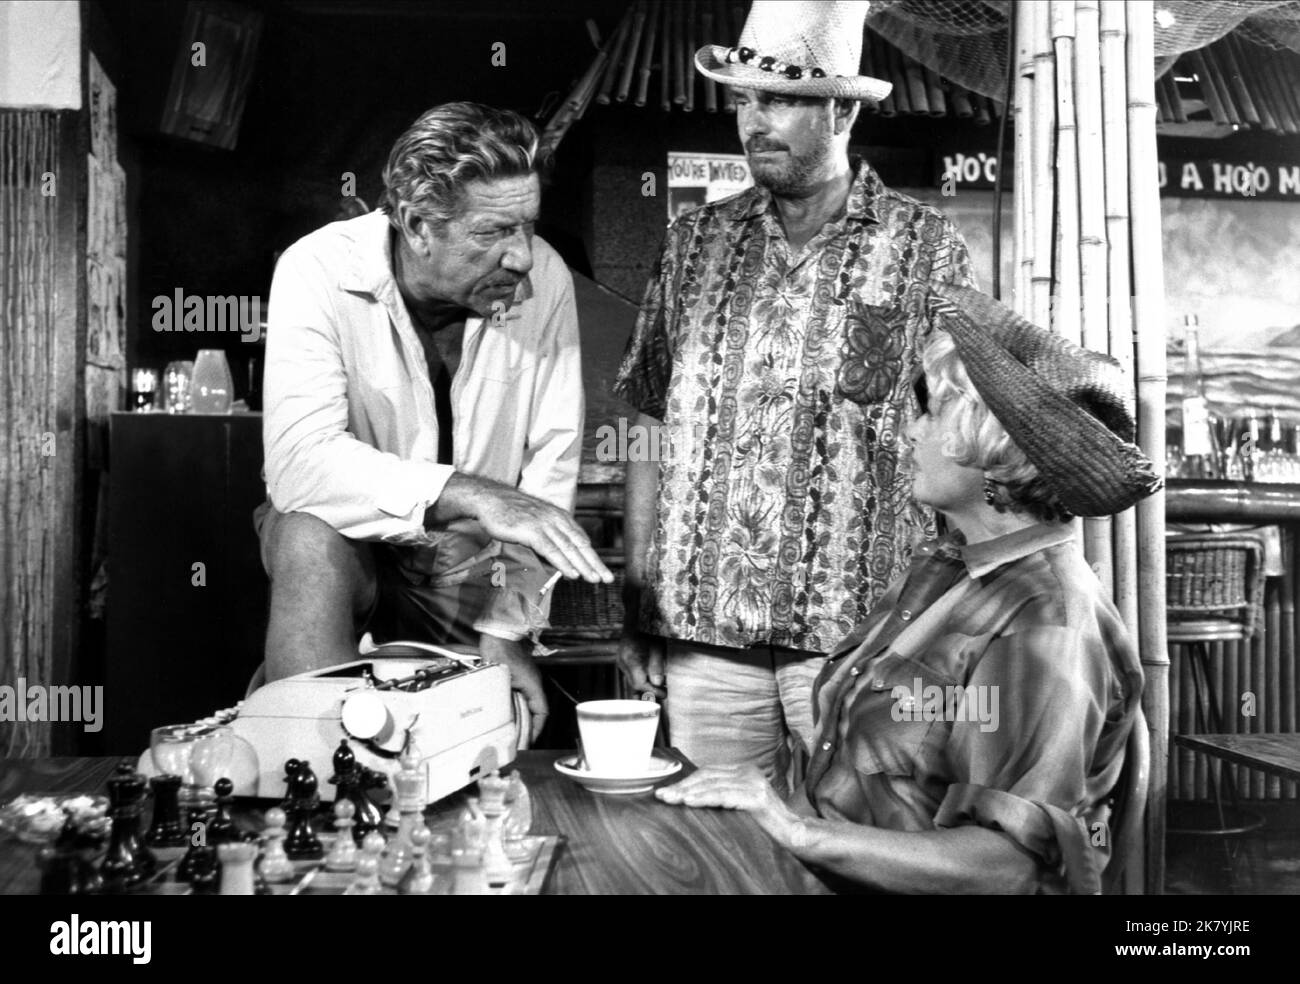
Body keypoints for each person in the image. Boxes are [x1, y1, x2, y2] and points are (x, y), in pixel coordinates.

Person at [656, 285, 1163, 894]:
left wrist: (795, 830)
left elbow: (1008, 867)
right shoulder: (947, 566)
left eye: (928, 409)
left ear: (988, 440)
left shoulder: (1044, 624)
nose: (907, 432)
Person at [614, 0, 974, 789]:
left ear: (842, 108)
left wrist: (940, 620)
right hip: (703, 637)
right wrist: (636, 593)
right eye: (743, 99)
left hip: (861, 637)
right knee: (717, 858)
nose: (752, 121)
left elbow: (962, 436)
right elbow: (645, 416)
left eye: (778, 100)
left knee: (862, 851)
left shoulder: (926, 251)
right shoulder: (693, 245)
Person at [257, 102, 612, 741]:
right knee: (308, 537)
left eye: (528, 226)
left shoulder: (547, 280)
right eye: (493, 233)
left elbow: (549, 476)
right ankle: (302, 759)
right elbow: (299, 464)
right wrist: (471, 492)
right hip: (349, 542)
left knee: (498, 731)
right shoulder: (316, 269)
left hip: (474, 562)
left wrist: (508, 631)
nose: (523, 257)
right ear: (419, 224)